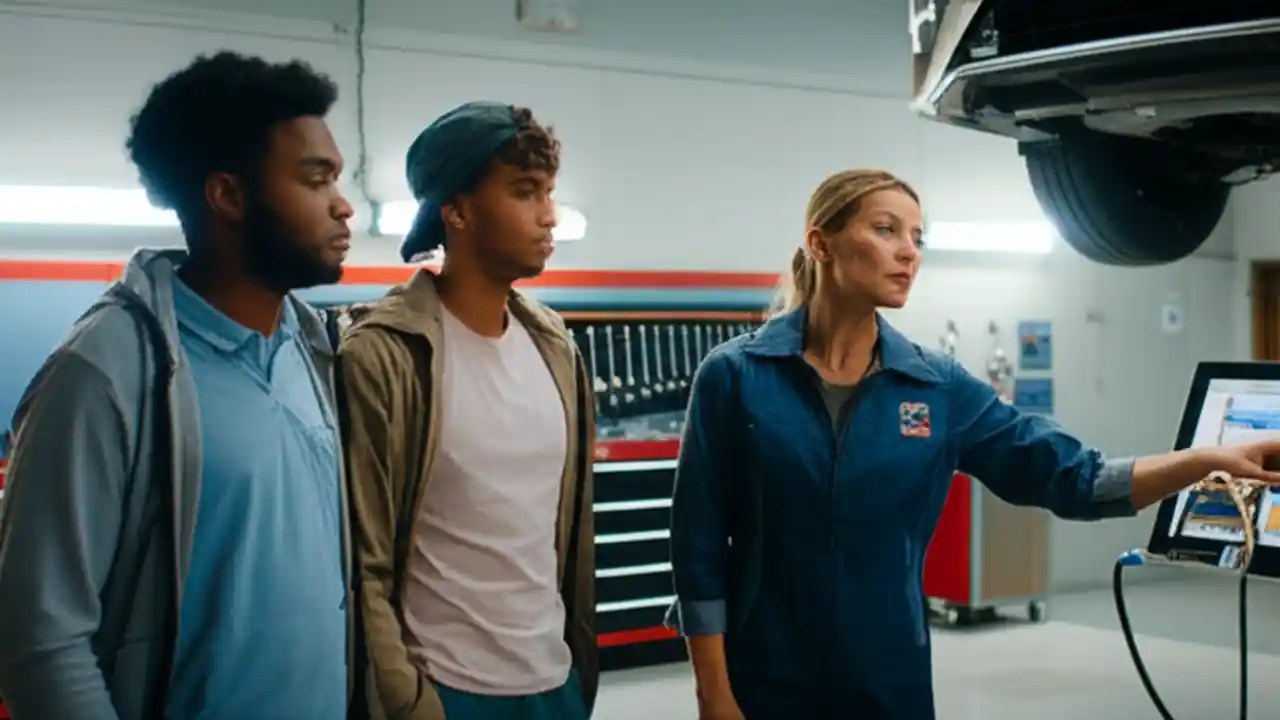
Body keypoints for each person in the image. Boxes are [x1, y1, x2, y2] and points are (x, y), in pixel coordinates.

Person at [667, 168, 1280, 720]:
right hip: (764, 681)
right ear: (820, 242)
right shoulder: (736, 376)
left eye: (917, 238)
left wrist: (1200, 462)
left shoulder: (938, 388)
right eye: (886, 230)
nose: (909, 252)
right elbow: (697, 547)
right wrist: (713, 695)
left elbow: (1073, 477)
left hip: (887, 682)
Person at [0, 51, 355, 720]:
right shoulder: (105, 370)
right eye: (315, 180)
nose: (343, 205)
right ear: (228, 194)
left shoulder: (314, 350)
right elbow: (40, 639)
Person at [337, 101, 597, 720]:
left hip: (553, 680)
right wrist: (405, 700)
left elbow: (566, 532)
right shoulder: (383, 354)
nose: (549, 214)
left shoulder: (554, 346)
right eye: (525, 191)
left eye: (549, 192)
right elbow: (364, 560)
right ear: (456, 211)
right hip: (445, 690)